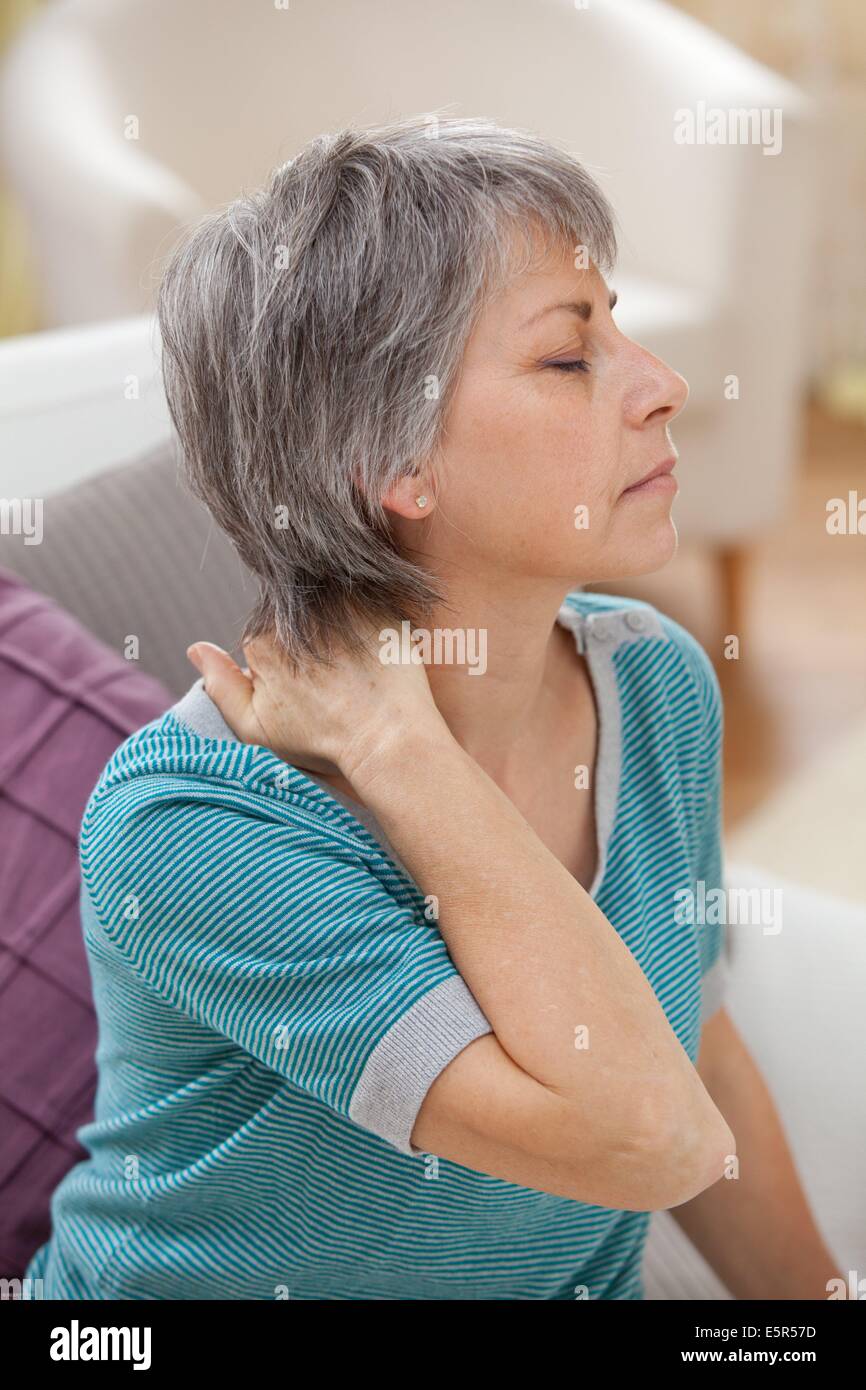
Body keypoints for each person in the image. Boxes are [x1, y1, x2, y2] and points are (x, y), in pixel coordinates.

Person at [27, 115, 837, 1300]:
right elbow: (648, 1135)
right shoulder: (192, 823)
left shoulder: (653, 683)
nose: (660, 387)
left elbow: (689, 1051)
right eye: (570, 358)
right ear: (391, 461)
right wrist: (399, 754)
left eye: (618, 327)